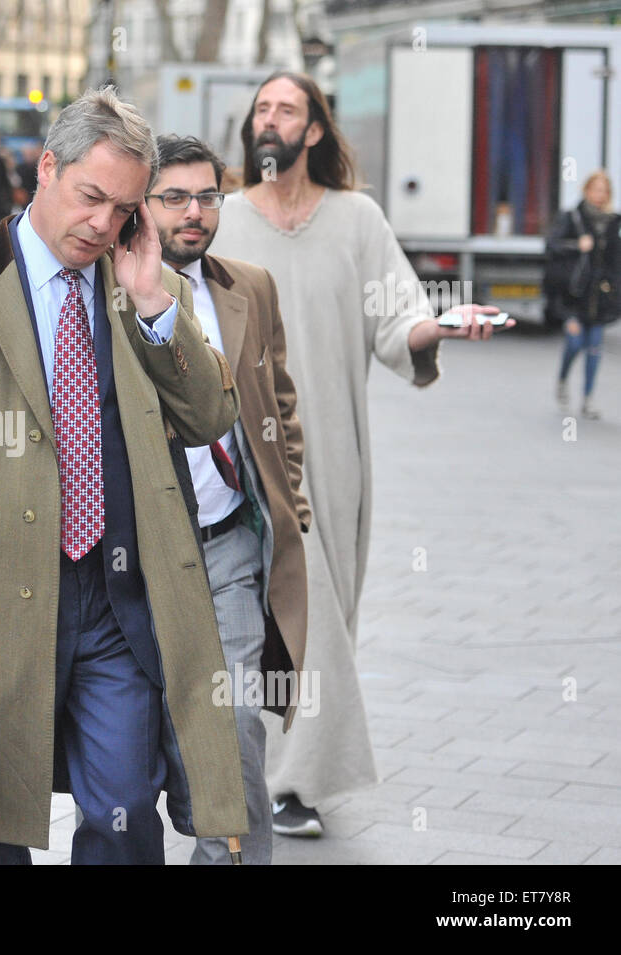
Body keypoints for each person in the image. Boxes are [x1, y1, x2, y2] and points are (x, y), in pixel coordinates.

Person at [0, 87, 248, 865]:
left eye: (124, 208)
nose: (104, 224)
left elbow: (211, 417)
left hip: (115, 598)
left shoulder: (148, 287)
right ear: (47, 168)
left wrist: (151, 306)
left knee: (123, 808)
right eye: (91, 197)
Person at [208, 71, 507, 837]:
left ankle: (281, 774)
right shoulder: (221, 220)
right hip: (234, 446)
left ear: (314, 133)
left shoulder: (356, 220)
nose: (270, 119)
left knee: (320, 605)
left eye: (288, 109)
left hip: (330, 446)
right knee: (266, 605)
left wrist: (437, 329)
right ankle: (289, 779)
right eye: (262, 108)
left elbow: (396, 322)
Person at [146, 134, 309, 864]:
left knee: (240, 721)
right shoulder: (109, 293)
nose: (194, 212)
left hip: (229, 544)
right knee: (137, 745)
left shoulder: (249, 286)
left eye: (207, 196)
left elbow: (281, 405)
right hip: (142, 557)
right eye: (174, 197)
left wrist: (288, 506)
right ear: (141, 204)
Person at [548, 169, 619, 419]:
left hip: (599, 299)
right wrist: (576, 245)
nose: (600, 195)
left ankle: (588, 399)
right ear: (586, 190)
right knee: (575, 343)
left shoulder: (612, 223)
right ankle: (563, 379)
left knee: (595, 348)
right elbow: (551, 247)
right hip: (574, 296)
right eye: (596, 190)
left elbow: (614, 263)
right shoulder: (572, 218)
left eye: (604, 191)